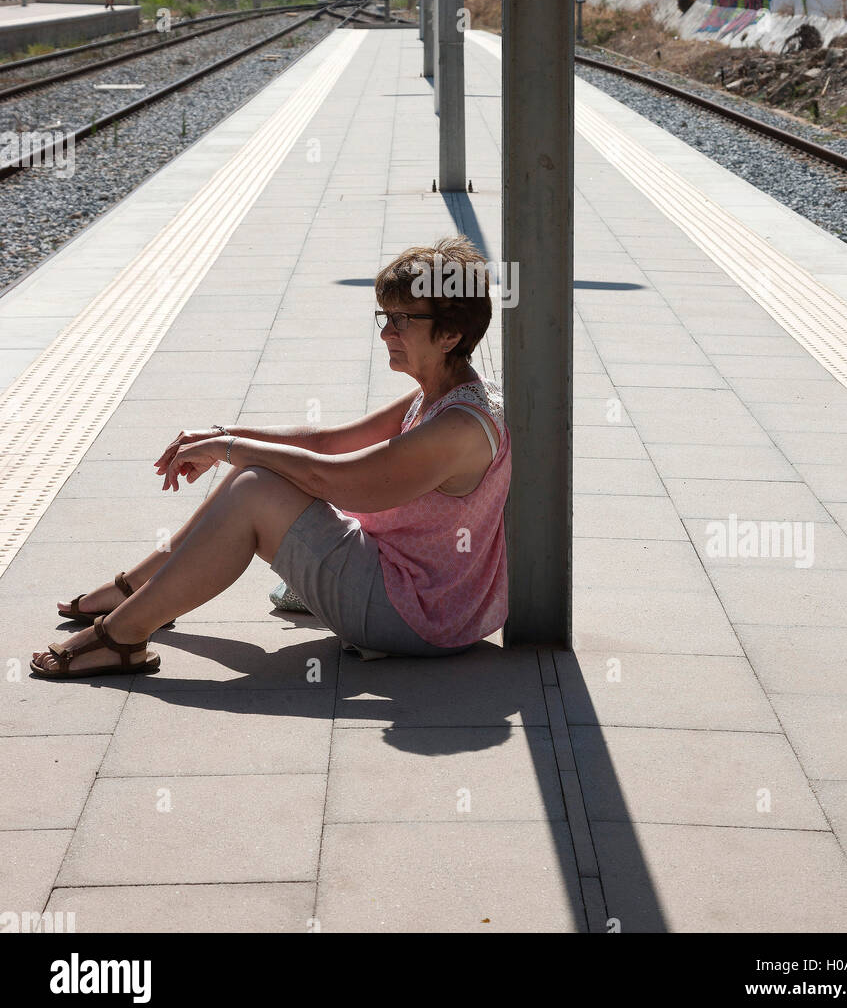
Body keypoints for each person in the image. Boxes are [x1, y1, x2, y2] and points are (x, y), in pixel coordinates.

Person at [30, 235, 512, 678]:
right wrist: (223, 434)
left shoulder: (457, 427)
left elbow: (334, 479)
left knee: (257, 487)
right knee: (257, 477)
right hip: (410, 591)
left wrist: (228, 449)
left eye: (402, 320)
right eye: (385, 317)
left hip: (414, 615)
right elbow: (327, 441)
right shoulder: (447, 392)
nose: (387, 332)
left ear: (449, 335)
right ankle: (139, 590)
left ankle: (122, 634)